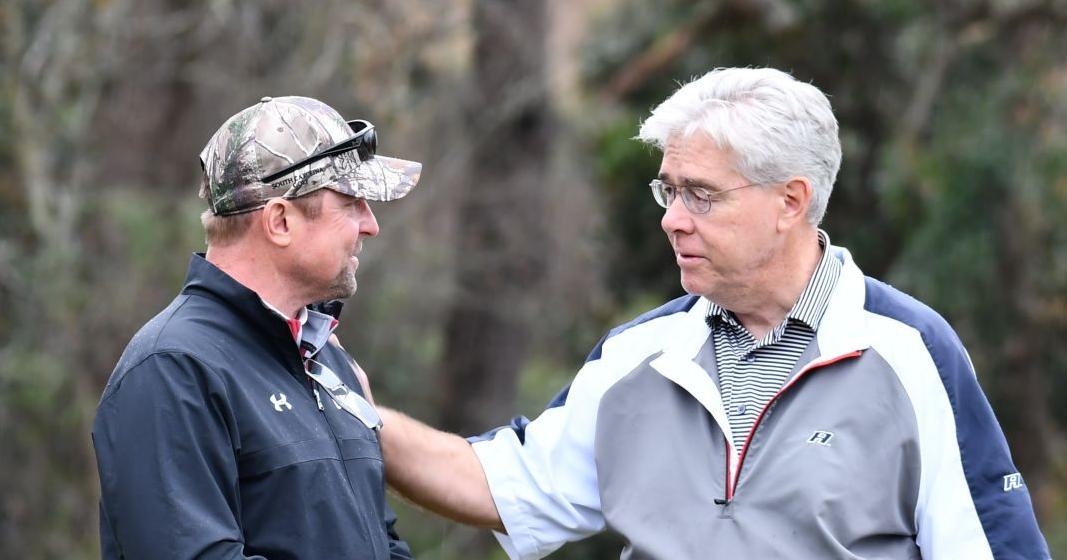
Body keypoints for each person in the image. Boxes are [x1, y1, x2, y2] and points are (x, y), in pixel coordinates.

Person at [378, 68, 1051, 559]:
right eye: (667, 191)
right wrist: (344, 407)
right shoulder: (640, 354)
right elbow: (506, 487)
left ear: (790, 202)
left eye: (700, 195)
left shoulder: (909, 349)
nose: (672, 221)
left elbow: (991, 548)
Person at [92, 96, 422, 559]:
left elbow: (381, 543)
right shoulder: (172, 369)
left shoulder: (327, 361)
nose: (370, 225)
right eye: (351, 203)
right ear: (280, 221)